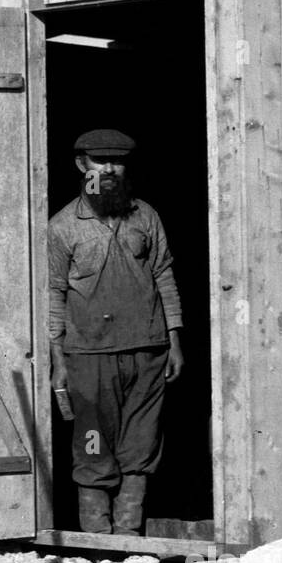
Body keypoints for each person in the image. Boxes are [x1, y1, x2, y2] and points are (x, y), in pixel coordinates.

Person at [48, 128, 184, 536]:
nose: (108, 169)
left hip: (149, 349)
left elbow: (164, 276)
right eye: (98, 161)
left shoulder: (145, 216)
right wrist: (58, 361)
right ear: (81, 165)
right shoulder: (62, 228)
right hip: (88, 357)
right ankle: (96, 541)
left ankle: (129, 539)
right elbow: (53, 294)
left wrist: (175, 340)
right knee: (93, 443)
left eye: (117, 161)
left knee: (141, 444)